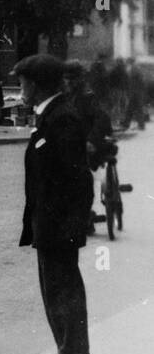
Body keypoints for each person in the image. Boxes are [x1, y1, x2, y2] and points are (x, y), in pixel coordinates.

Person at [13, 53, 93, 354]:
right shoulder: (51, 116)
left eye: (23, 83)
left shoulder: (63, 119)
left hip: (60, 224)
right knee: (55, 291)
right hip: (50, 223)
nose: (21, 90)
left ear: (36, 85)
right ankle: (66, 352)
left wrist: (73, 221)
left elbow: (78, 178)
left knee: (64, 292)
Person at [63, 60, 113, 236]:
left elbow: (101, 120)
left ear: (79, 79)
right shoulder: (64, 96)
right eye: (66, 79)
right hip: (69, 146)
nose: (68, 82)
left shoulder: (88, 97)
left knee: (82, 178)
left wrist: (91, 140)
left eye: (72, 79)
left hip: (87, 147)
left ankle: (84, 217)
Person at [120, 57, 146, 130]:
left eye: (128, 62)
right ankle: (139, 125)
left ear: (130, 62)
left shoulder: (134, 69)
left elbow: (133, 81)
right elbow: (140, 81)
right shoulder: (136, 68)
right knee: (134, 109)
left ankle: (127, 124)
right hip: (137, 92)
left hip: (135, 92)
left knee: (132, 109)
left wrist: (131, 91)